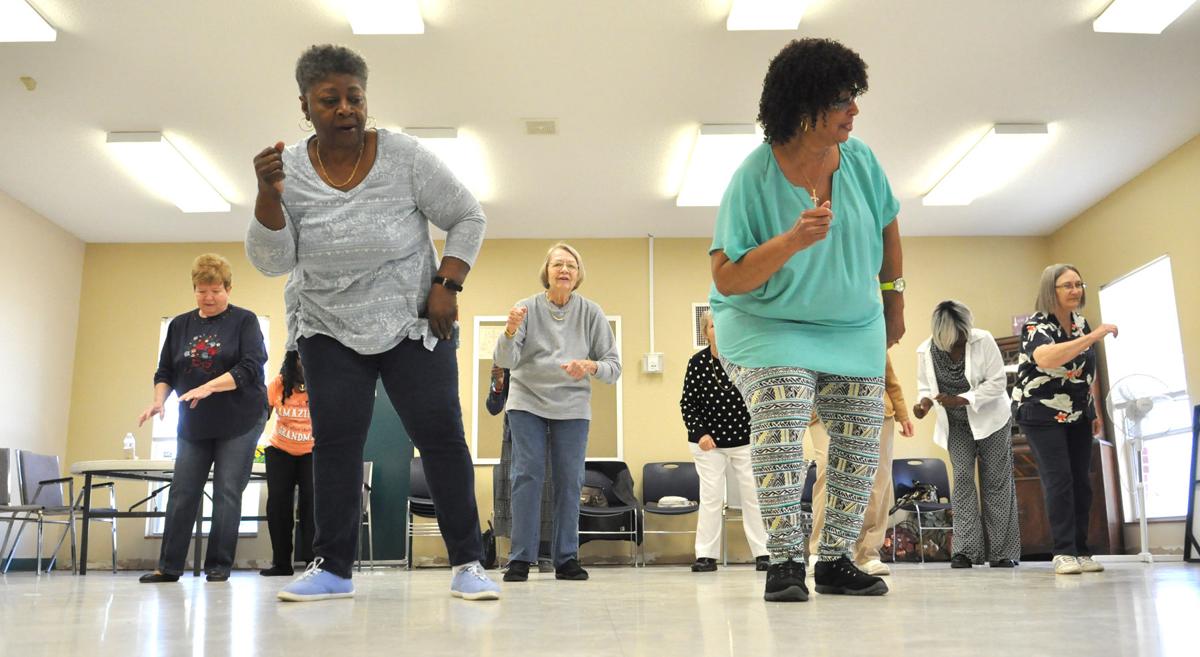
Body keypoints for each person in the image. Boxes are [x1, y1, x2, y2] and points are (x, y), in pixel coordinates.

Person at [246, 44, 500, 601]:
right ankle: (333, 569)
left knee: (440, 437)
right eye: (329, 100)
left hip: (412, 322)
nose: (345, 109)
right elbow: (273, 261)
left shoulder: (404, 157)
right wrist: (267, 197)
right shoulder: (286, 169)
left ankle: (468, 564)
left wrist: (447, 284)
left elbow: (467, 215)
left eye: (354, 98)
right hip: (327, 325)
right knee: (336, 444)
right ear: (305, 106)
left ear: (366, 100)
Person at [709, 38, 904, 602]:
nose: (855, 110)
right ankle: (786, 560)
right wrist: (792, 240)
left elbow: (889, 224)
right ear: (805, 106)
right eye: (844, 99)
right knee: (784, 409)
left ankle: (837, 559)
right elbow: (727, 277)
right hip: (768, 324)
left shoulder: (861, 160)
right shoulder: (752, 176)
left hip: (850, 324)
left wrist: (894, 297)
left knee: (859, 434)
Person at [493, 242, 621, 583]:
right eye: (558, 265)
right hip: (527, 402)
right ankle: (521, 558)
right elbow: (505, 361)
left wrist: (590, 366)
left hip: (572, 406)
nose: (564, 270)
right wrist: (508, 330)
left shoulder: (591, 313)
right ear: (546, 273)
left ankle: (566, 558)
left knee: (569, 480)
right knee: (527, 475)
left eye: (571, 266)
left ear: (578, 276)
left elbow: (614, 367)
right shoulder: (525, 309)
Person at [136, 254, 268, 584]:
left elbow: (251, 367)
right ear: (193, 289)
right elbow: (165, 370)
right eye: (201, 291)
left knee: (226, 491)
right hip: (195, 422)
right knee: (183, 491)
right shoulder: (180, 325)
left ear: (228, 289)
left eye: (216, 290)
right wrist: (158, 401)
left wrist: (209, 387)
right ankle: (168, 567)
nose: (208, 297)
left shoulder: (245, 321)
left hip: (240, 418)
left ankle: (218, 566)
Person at [1013, 265, 1117, 575]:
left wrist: (1093, 410)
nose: (1075, 290)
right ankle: (1063, 552)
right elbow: (1047, 358)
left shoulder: (1081, 323)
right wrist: (1095, 336)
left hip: (1077, 412)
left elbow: (1088, 372)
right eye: (1067, 285)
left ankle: (1081, 550)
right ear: (1051, 290)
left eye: (1078, 284)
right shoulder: (1036, 325)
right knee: (1059, 480)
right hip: (1040, 412)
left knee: (1081, 482)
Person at [913, 301, 1020, 569]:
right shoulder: (926, 350)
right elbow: (925, 386)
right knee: (961, 479)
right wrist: (923, 403)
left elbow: (998, 382)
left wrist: (962, 399)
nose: (960, 344)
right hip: (955, 424)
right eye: (954, 340)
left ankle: (1001, 552)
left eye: (963, 337)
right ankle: (965, 551)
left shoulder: (983, 340)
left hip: (991, 421)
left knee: (996, 482)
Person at [808, 353, 913, 575]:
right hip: (825, 405)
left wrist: (903, 413)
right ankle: (820, 550)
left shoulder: (868, 323)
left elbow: (888, 374)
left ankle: (868, 553)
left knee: (878, 479)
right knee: (828, 472)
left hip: (875, 405)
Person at [679, 311, 769, 572]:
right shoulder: (697, 363)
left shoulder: (746, 360)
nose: (718, 329)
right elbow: (688, 404)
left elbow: (757, 397)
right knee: (711, 497)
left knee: (753, 495)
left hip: (745, 439)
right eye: (713, 325)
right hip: (709, 442)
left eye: (723, 325)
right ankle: (706, 555)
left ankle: (763, 552)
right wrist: (701, 434)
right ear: (706, 331)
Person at [487, 365, 555, 572]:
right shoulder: (508, 367)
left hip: (548, 435)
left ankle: (545, 554)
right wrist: (498, 386)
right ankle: (518, 555)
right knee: (515, 491)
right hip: (514, 437)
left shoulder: (547, 364)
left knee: (546, 493)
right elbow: (493, 407)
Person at [259, 350, 315, 577]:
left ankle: (313, 562)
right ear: (292, 361)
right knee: (278, 506)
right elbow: (261, 417)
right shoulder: (278, 385)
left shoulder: (320, 382)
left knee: (311, 506)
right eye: (300, 358)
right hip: (280, 450)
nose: (304, 362)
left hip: (312, 451)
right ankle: (281, 563)